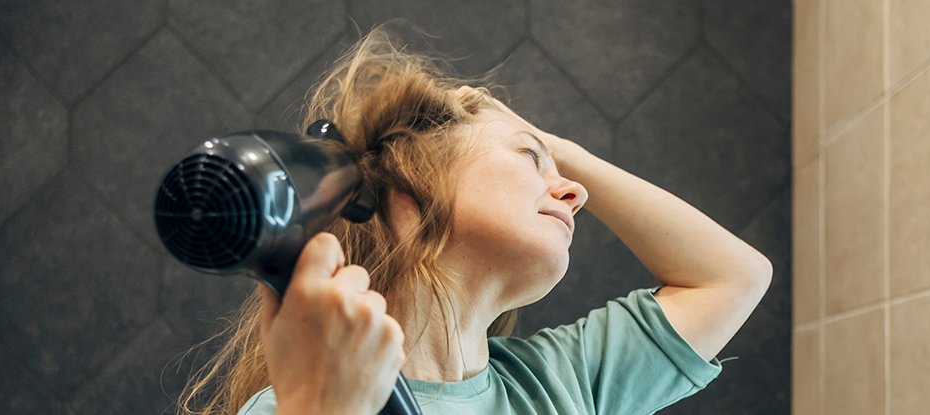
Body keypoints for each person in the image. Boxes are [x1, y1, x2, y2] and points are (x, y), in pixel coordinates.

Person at [177, 28, 773, 415]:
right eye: (528, 159)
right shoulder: (300, 405)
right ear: (413, 181)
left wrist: (557, 146)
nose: (576, 189)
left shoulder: (559, 385)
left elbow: (733, 277)